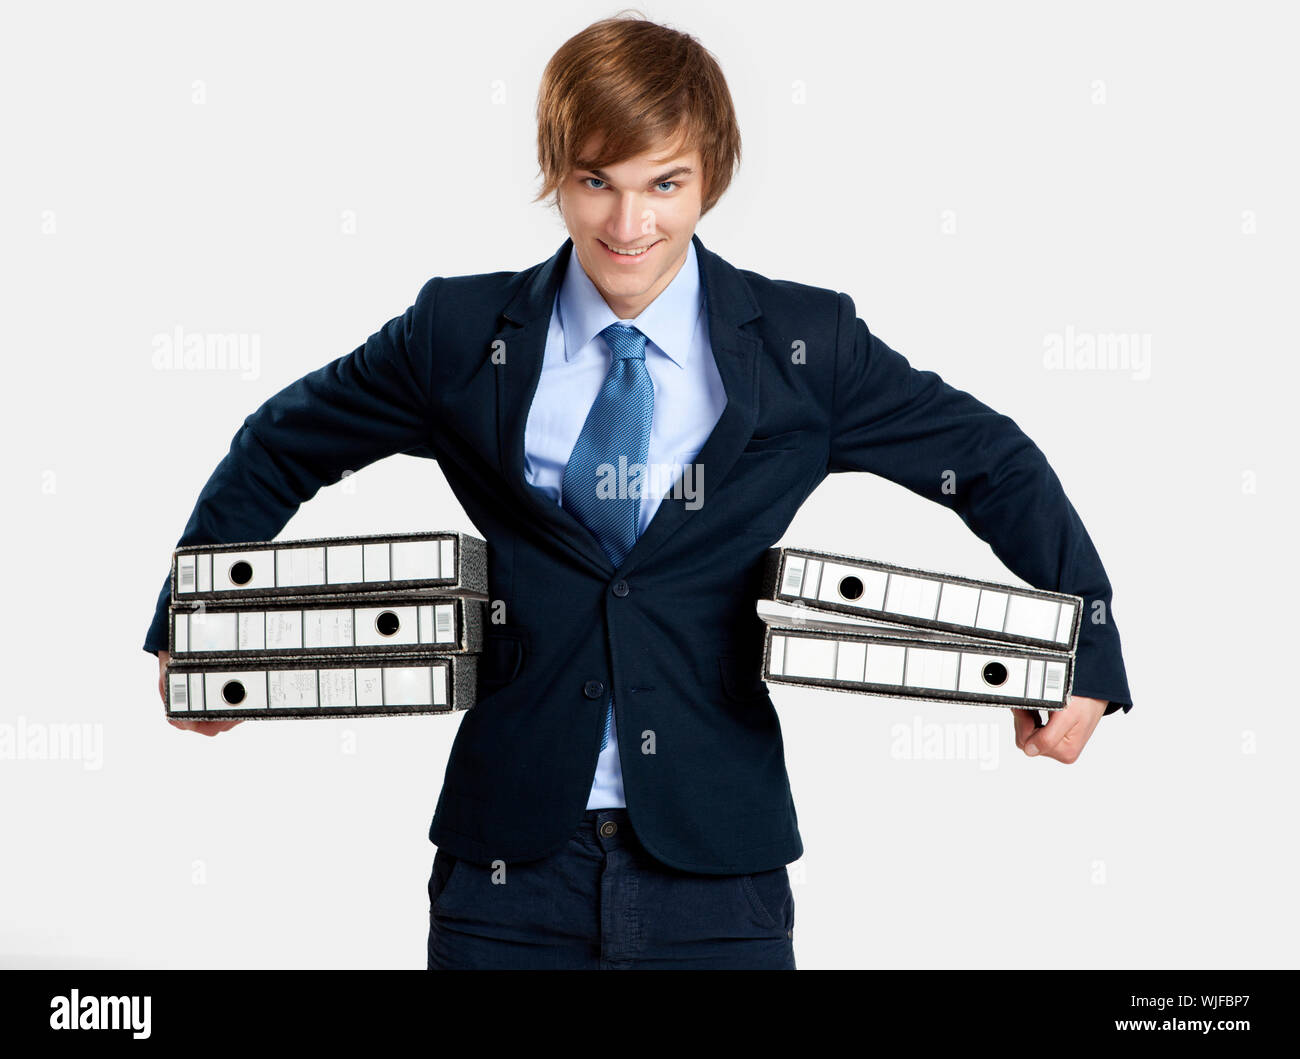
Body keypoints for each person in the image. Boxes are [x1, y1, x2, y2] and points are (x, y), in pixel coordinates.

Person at [145, 12, 1132, 970]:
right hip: (505, 867)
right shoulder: (456, 334)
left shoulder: (805, 348)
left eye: (664, 183)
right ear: (556, 176)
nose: (630, 223)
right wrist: (199, 628)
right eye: (595, 183)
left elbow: (988, 461)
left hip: (717, 865)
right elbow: (282, 443)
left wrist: (1086, 645)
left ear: (710, 179)